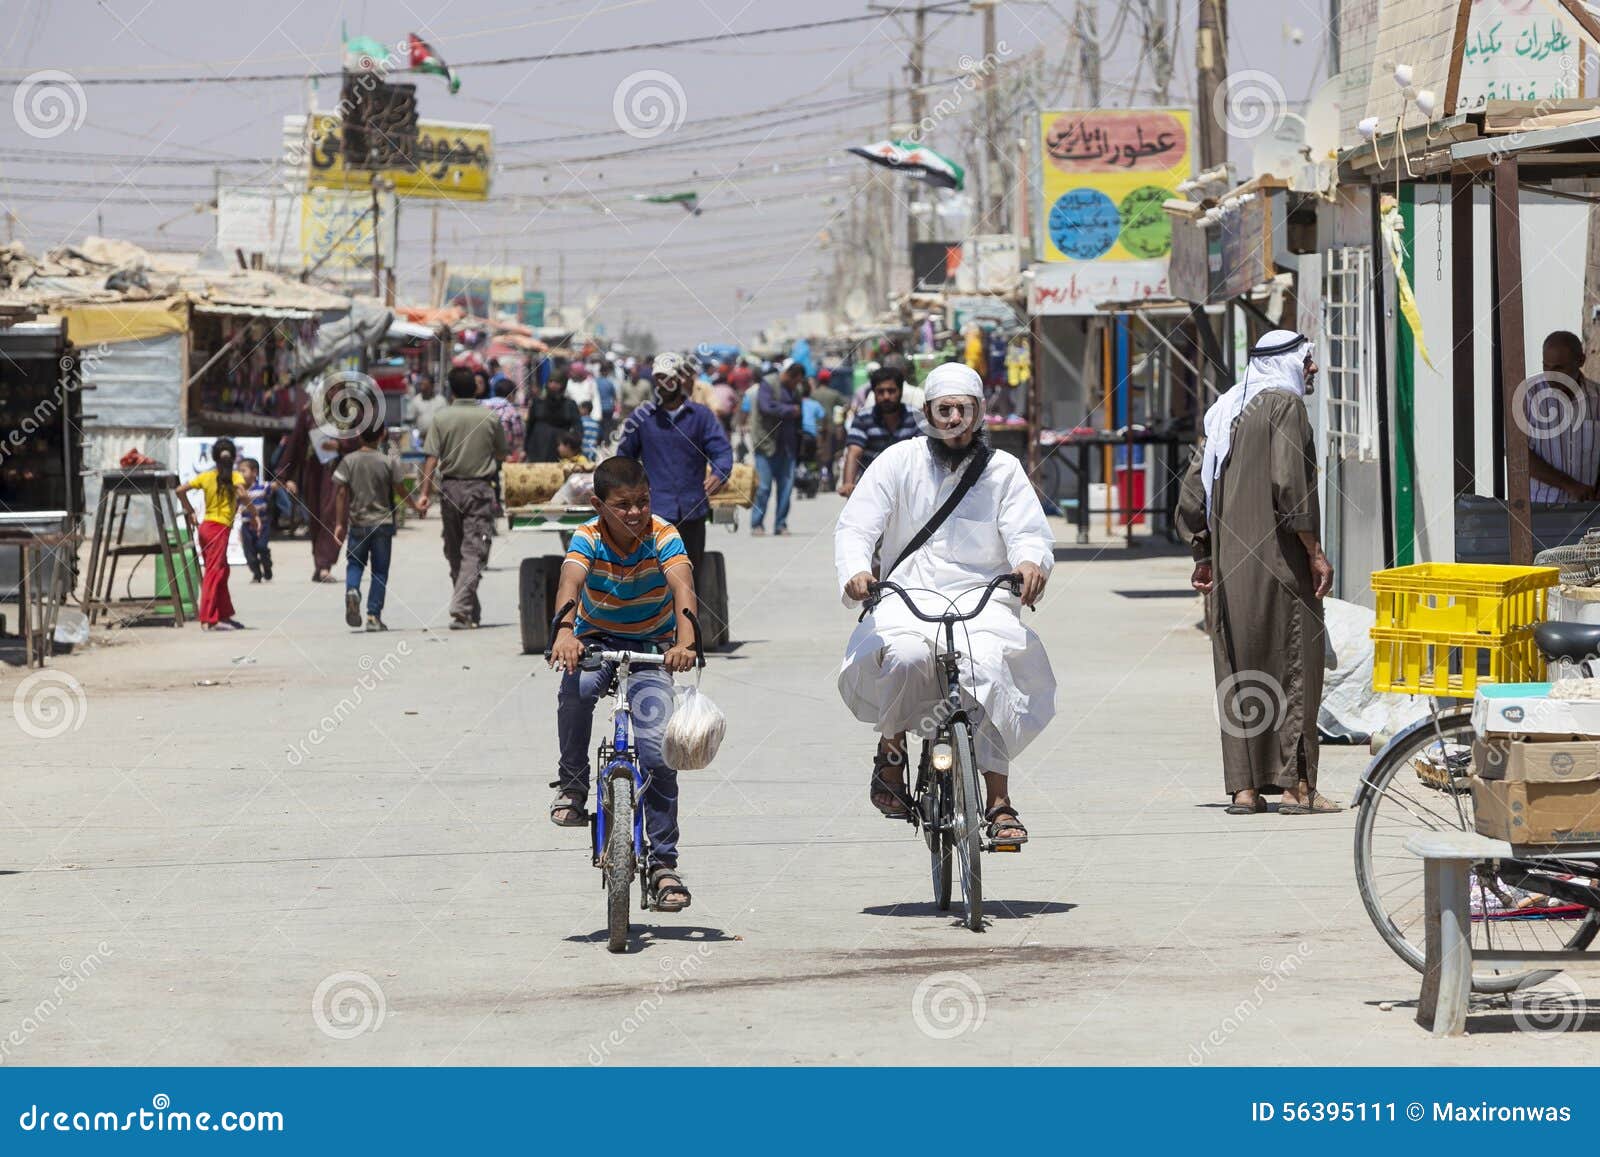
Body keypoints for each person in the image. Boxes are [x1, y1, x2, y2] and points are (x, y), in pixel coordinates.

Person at [835, 363, 1053, 845]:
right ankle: (890, 752)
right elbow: (857, 525)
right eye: (944, 410)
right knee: (905, 656)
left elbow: (1027, 531)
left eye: (963, 410)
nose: (954, 418)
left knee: (993, 671)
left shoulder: (1003, 471)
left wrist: (1031, 563)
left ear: (979, 414)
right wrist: (856, 571)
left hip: (984, 597)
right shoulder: (897, 461)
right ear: (928, 413)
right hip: (905, 594)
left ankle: (998, 801)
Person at [1176, 329, 1337, 816]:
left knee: (1240, 672)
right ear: (1288, 363)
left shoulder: (1224, 412)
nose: (1312, 369)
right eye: (1308, 360)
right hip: (1281, 562)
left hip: (1229, 569)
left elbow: (1192, 497)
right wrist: (1315, 552)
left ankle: (1244, 790)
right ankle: (1295, 789)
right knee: (1295, 669)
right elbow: (1290, 488)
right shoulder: (1285, 406)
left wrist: (1203, 554)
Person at [547, 456, 700, 912]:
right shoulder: (588, 536)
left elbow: (683, 588)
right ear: (598, 505)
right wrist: (564, 631)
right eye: (623, 505)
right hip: (595, 639)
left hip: (654, 645)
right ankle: (573, 785)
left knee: (657, 749)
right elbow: (569, 581)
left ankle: (663, 864)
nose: (635, 512)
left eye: (642, 502)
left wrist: (686, 642)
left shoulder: (663, 535)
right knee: (576, 690)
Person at [616, 350, 732, 572]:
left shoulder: (701, 417)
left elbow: (722, 452)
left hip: (692, 510)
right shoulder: (642, 418)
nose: (664, 383)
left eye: (669, 378)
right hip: (653, 514)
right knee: (653, 579)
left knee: (689, 578)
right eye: (659, 378)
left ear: (682, 379)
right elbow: (624, 459)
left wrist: (719, 473)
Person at [416, 366, 509, 629]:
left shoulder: (441, 417)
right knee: (473, 551)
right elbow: (502, 453)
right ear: (477, 389)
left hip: (450, 490)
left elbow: (431, 458)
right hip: (479, 490)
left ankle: (465, 609)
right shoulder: (490, 417)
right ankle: (463, 607)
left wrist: (424, 494)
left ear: (451, 390)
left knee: (456, 551)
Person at [334, 423, 421, 632]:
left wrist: (338, 523)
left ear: (359, 436)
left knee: (355, 564)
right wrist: (416, 506)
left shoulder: (349, 461)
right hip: (382, 523)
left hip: (358, 523)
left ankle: (352, 590)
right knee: (379, 572)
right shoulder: (387, 461)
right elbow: (400, 489)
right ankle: (373, 616)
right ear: (382, 435)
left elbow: (341, 493)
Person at [282, 383, 362, 581]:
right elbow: (296, 442)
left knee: (333, 514)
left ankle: (325, 564)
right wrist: (286, 475)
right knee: (316, 515)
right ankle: (319, 564)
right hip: (315, 472)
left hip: (340, 471)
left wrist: (340, 444)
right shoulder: (309, 412)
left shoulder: (353, 412)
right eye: (332, 390)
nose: (335, 394)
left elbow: (363, 440)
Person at [180, 437, 249, 631]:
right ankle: (209, 619)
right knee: (214, 572)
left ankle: (223, 615)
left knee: (222, 570)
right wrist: (253, 512)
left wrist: (190, 511)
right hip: (219, 530)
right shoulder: (235, 477)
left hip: (206, 528)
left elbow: (179, 490)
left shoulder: (206, 476)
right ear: (233, 457)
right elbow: (243, 495)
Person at [1527, 330, 1600, 504]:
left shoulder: (1597, 398)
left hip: (1587, 512)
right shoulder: (1527, 396)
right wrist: (1569, 485)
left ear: (1580, 361)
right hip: (1538, 509)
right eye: (1547, 367)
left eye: (1559, 368)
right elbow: (1519, 455)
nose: (1552, 375)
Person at [839, 367, 919, 498]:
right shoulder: (863, 418)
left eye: (891, 391)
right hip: (872, 489)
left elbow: (924, 453)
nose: (886, 396)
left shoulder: (915, 417)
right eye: (880, 392)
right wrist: (848, 483)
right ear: (873, 393)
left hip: (909, 489)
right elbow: (854, 452)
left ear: (900, 391)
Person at [751, 360, 803, 536]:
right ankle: (757, 524)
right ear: (789, 375)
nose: (797, 385)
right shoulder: (768, 383)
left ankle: (781, 524)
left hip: (787, 447)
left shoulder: (795, 389)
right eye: (796, 380)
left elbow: (799, 412)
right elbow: (766, 407)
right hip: (766, 445)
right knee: (764, 488)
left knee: (786, 489)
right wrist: (790, 410)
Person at [238, 457, 288, 583]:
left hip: (263, 524)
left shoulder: (262, 487)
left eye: (243, 471)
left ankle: (267, 566)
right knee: (249, 553)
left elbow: (276, 485)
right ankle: (256, 574)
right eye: (239, 471)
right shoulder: (239, 491)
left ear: (254, 472)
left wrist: (287, 484)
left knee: (261, 547)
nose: (240, 474)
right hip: (246, 525)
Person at [525, 372, 583, 462]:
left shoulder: (569, 404)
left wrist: (573, 447)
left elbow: (578, 428)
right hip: (538, 446)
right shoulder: (538, 402)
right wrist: (525, 448)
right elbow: (530, 426)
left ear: (563, 384)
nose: (553, 385)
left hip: (559, 448)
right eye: (551, 381)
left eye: (557, 382)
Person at [811, 368, 846, 487]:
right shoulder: (834, 394)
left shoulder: (813, 394)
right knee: (830, 454)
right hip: (830, 428)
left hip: (816, 429)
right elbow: (846, 404)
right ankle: (829, 479)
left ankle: (820, 478)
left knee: (818, 454)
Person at [482, 377, 526, 463]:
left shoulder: (480, 404)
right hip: (502, 459)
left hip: (480, 456)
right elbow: (518, 442)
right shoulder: (513, 413)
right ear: (511, 395)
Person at [407, 373, 448, 443]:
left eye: (426, 386)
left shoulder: (441, 401)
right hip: (421, 439)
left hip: (439, 439)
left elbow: (447, 419)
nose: (423, 388)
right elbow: (410, 420)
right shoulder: (416, 401)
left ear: (432, 386)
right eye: (422, 385)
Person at [594, 359, 620, 445]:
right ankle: (606, 443)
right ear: (607, 372)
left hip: (598, 408)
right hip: (609, 407)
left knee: (598, 425)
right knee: (607, 426)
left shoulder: (595, 382)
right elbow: (614, 396)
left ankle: (598, 441)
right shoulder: (610, 383)